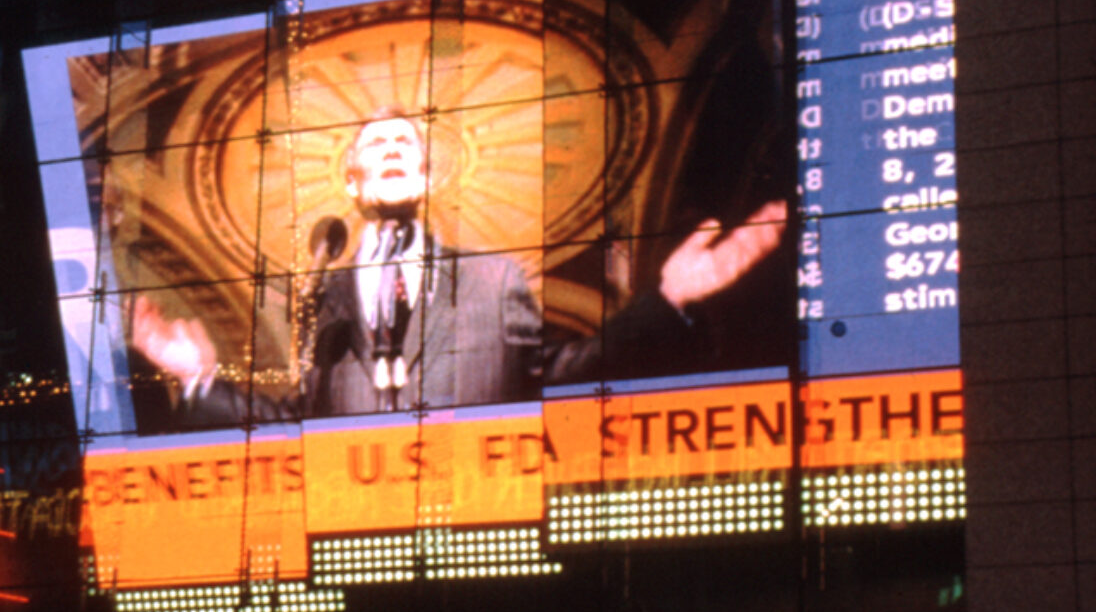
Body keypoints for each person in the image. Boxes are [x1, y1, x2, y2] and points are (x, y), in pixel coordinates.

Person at [126, 108, 785, 422]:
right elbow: (298, 417)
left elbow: (563, 373)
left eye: (405, 144)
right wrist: (199, 379)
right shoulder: (327, 297)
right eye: (376, 145)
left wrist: (666, 301)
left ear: (425, 174)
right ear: (353, 185)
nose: (391, 150)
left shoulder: (493, 280)